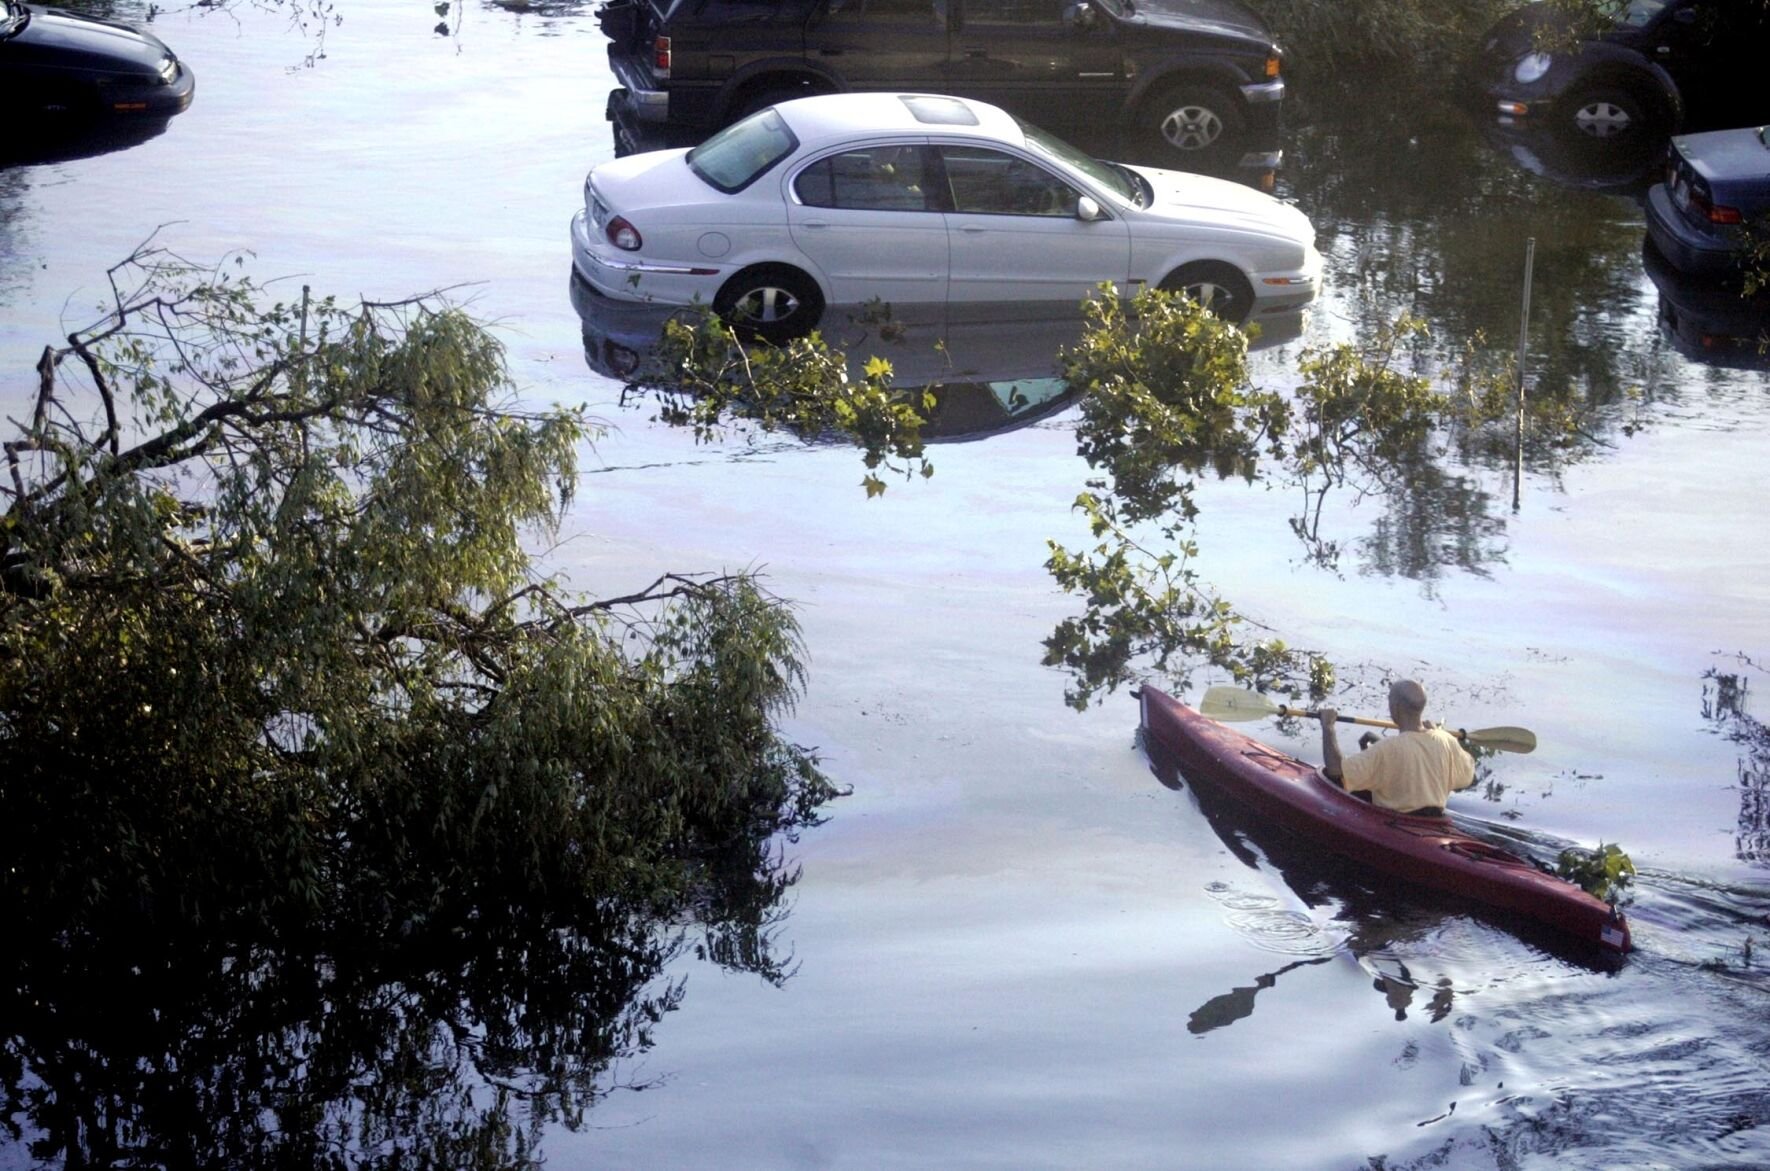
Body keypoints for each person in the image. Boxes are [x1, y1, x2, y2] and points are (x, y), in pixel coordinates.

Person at [1318, 679, 1475, 817]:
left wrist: (1328, 727)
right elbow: (1467, 777)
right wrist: (1438, 732)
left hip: (1395, 823)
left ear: (1396, 707)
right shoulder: (1446, 740)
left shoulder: (1386, 750)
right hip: (1433, 823)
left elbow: (1336, 771)